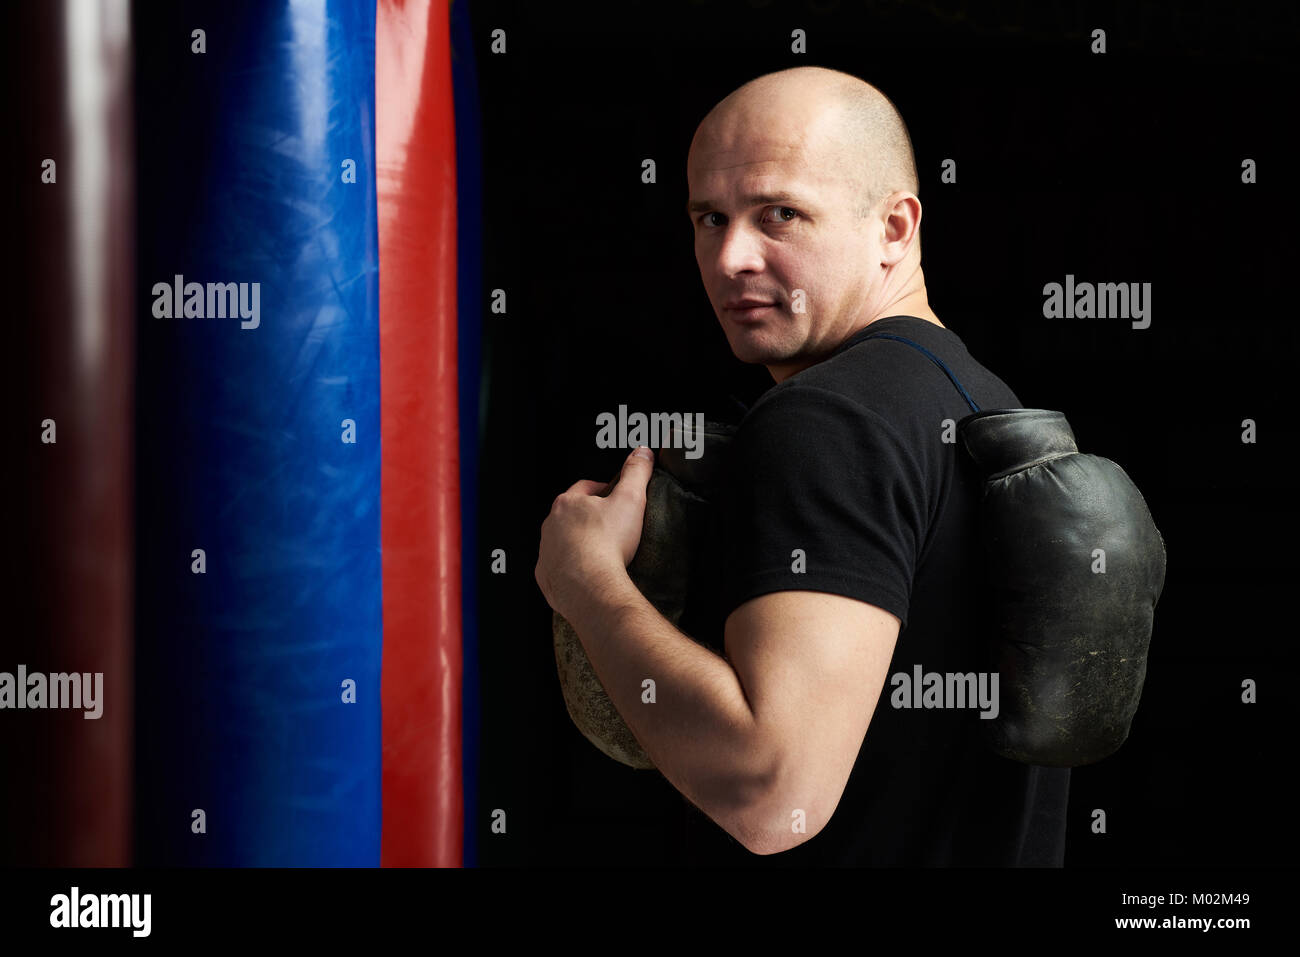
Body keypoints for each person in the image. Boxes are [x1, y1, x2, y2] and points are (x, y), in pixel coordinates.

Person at [535, 65, 1069, 865]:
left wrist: (588, 585)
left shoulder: (825, 421)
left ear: (895, 227)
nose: (730, 257)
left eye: (779, 213)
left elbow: (772, 797)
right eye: (710, 218)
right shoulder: (978, 398)